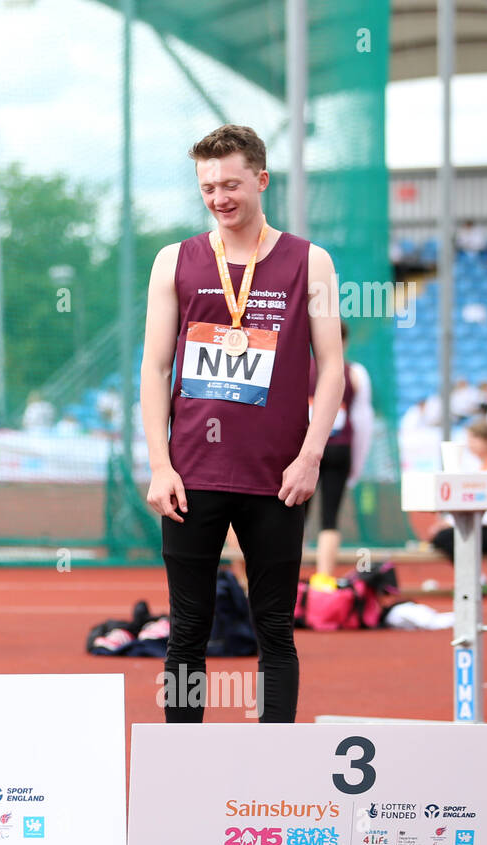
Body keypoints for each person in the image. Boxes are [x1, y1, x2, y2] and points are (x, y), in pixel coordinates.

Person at [140, 124, 344, 723]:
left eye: (230, 184)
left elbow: (331, 366)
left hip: (277, 477)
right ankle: (182, 759)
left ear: (261, 179)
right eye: (208, 187)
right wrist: (159, 464)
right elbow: (154, 368)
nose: (219, 198)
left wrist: (310, 457)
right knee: (187, 632)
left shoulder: (312, 260)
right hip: (192, 474)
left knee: (274, 629)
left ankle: (273, 760)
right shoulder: (174, 260)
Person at [310, 321, 374, 578]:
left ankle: (289, 578)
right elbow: (362, 423)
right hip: (339, 449)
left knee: (293, 515)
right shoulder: (355, 373)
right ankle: (323, 578)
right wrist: (355, 466)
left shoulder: (298, 368)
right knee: (329, 518)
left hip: (302, 451)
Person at [426, 420, 487, 562]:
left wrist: (451, 523)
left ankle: (477, 580)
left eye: (473, 439)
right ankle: (477, 580)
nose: (469, 444)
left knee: (446, 538)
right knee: (447, 537)